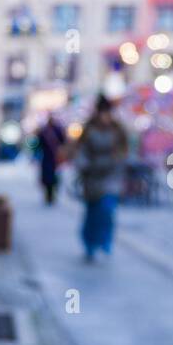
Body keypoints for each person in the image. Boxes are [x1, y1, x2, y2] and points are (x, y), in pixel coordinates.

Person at [75, 95, 127, 260]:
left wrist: (118, 161)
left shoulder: (118, 130)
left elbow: (124, 150)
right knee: (92, 212)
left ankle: (105, 240)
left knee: (107, 210)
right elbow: (81, 151)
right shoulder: (89, 130)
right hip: (92, 176)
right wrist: (84, 165)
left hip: (110, 176)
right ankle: (89, 243)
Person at [36, 113, 67, 205]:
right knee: (50, 178)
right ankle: (49, 196)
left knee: (53, 178)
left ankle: (51, 196)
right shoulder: (46, 131)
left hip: (53, 158)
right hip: (49, 157)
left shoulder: (49, 130)